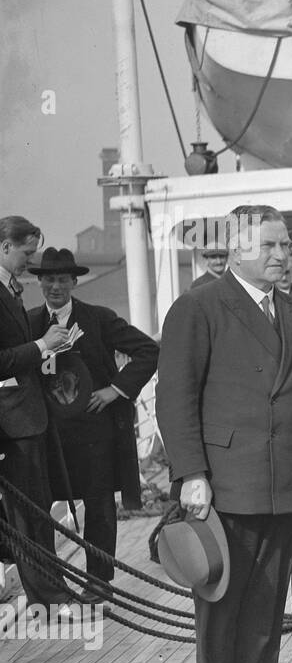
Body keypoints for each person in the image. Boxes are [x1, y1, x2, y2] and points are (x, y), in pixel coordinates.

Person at [156, 205, 292, 663]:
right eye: (270, 246)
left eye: (285, 245)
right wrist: (191, 474)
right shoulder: (199, 307)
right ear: (234, 248)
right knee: (221, 599)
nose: (282, 256)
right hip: (228, 479)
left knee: (269, 597)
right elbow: (175, 397)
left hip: (283, 478)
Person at [29, 248, 158, 587]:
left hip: (94, 433)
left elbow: (148, 351)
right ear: (38, 281)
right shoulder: (28, 324)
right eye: (49, 280)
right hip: (48, 435)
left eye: (62, 280)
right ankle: (50, 587)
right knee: (41, 508)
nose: (55, 287)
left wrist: (114, 390)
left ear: (74, 281)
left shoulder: (98, 319)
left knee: (99, 507)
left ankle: (99, 583)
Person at [0, 216, 75, 612]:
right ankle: (48, 600)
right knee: (27, 517)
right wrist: (42, 345)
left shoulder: (9, 290)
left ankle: (53, 593)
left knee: (37, 510)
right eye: (26, 253)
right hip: (12, 424)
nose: (30, 262)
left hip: (27, 419)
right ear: (4, 247)